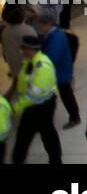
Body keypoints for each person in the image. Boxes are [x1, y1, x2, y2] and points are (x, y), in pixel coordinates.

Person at [10, 31, 60, 164]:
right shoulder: (29, 62)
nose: (22, 51)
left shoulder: (42, 66)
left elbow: (35, 94)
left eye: (23, 48)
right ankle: (56, 160)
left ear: (30, 49)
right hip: (36, 106)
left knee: (25, 137)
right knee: (47, 134)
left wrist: (17, 106)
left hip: (40, 107)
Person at [34, 12, 78, 129]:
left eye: (41, 25)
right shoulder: (55, 35)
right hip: (62, 70)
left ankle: (74, 117)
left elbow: (53, 57)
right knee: (66, 94)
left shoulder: (55, 38)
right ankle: (74, 116)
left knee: (66, 95)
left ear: (48, 24)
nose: (40, 28)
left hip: (60, 72)